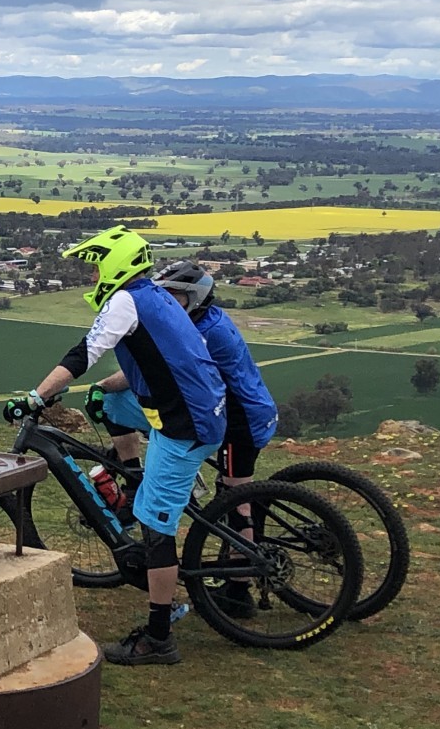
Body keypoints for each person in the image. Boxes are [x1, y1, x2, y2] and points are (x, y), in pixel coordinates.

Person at [26, 226, 226, 666]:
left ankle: (159, 638)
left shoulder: (126, 300)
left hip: (184, 423)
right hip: (194, 412)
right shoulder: (151, 295)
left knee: (157, 531)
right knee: (119, 415)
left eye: (98, 267)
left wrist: (36, 397)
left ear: (116, 264)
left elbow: (84, 352)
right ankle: (140, 487)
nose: (94, 276)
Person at [87, 260, 278, 619]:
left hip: (239, 422)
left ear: (195, 297)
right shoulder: (203, 320)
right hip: (224, 414)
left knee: (236, 504)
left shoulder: (205, 332)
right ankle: (135, 482)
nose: (168, 303)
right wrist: (106, 388)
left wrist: (103, 384)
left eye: (175, 297)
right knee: (117, 406)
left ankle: (240, 592)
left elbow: (162, 367)